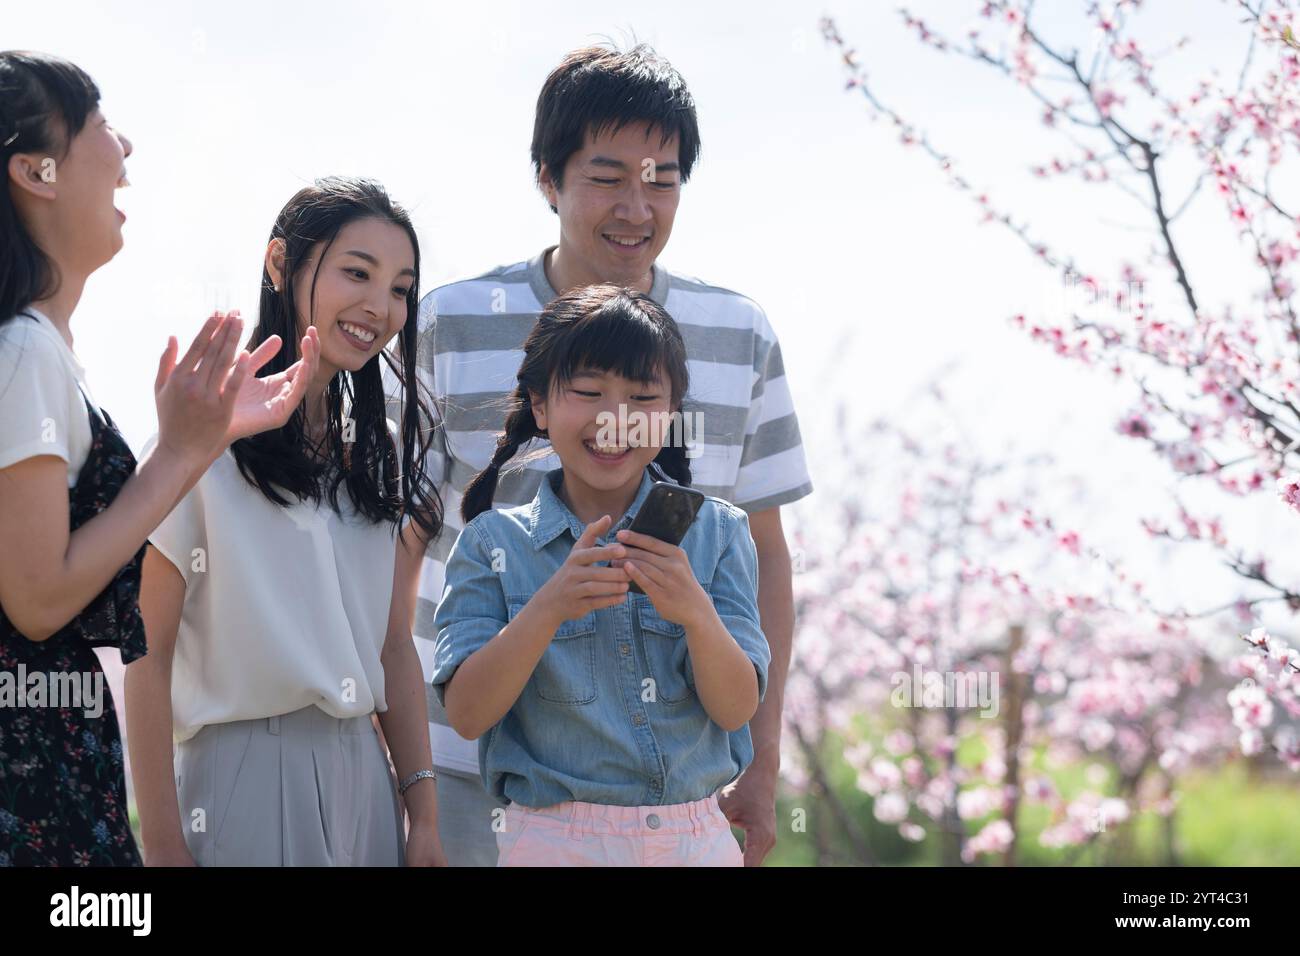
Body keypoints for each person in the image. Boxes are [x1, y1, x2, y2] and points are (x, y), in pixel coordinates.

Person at [408, 42, 812, 865]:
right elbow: (395, 543)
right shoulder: (449, 322)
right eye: (607, 175)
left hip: (680, 794)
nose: (638, 204)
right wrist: (404, 769)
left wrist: (762, 765)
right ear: (548, 180)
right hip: (464, 764)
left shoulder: (739, 334)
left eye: (662, 177)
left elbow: (765, 559)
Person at [0, 51, 318, 867]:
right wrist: (181, 452)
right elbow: (37, 597)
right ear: (35, 173)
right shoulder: (23, 352)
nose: (126, 149)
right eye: (100, 125)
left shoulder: (37, 350)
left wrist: (197, 442)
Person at [126, 177, 447, 867]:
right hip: (244, 775)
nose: (381, 306)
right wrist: (161, 845)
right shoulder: (201, 438)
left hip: (366, 777)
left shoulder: (377, 455)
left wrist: (423, 817)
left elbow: (394, 645)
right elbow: (144, 657)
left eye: (400, 287)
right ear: (281, 264)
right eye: (356, 273)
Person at [432, 284, 768, 865]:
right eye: (588, 392)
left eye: (643, 398)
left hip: (695, 839)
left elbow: (737, 709)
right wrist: (548, 606)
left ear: (670, 414)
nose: (616, 420)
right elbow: (466, 714)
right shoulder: (493, 543)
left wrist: (694, 612)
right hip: (555, 840)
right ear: (539, 406)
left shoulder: (718, 533)